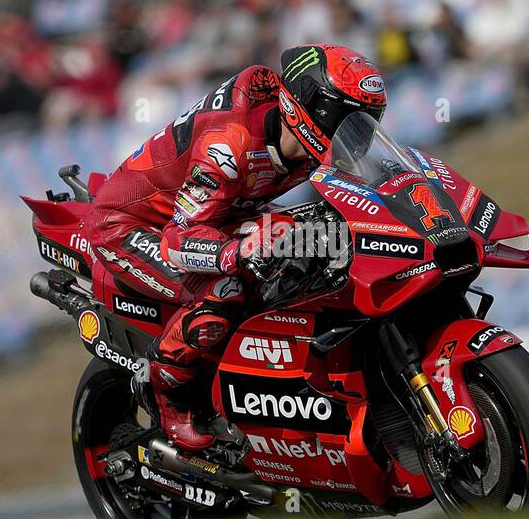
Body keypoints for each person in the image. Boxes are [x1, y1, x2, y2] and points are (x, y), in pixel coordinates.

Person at [89, 44, 387, 451]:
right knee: (226, 288)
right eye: (345, 117)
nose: (354, 133)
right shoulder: (229, 145)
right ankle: (167, 393)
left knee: (314, 252)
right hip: (134, 225)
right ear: (308, 105)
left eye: (365, 122)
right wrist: (236, 253)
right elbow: (179, 241)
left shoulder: (311, 145)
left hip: (221, 213)